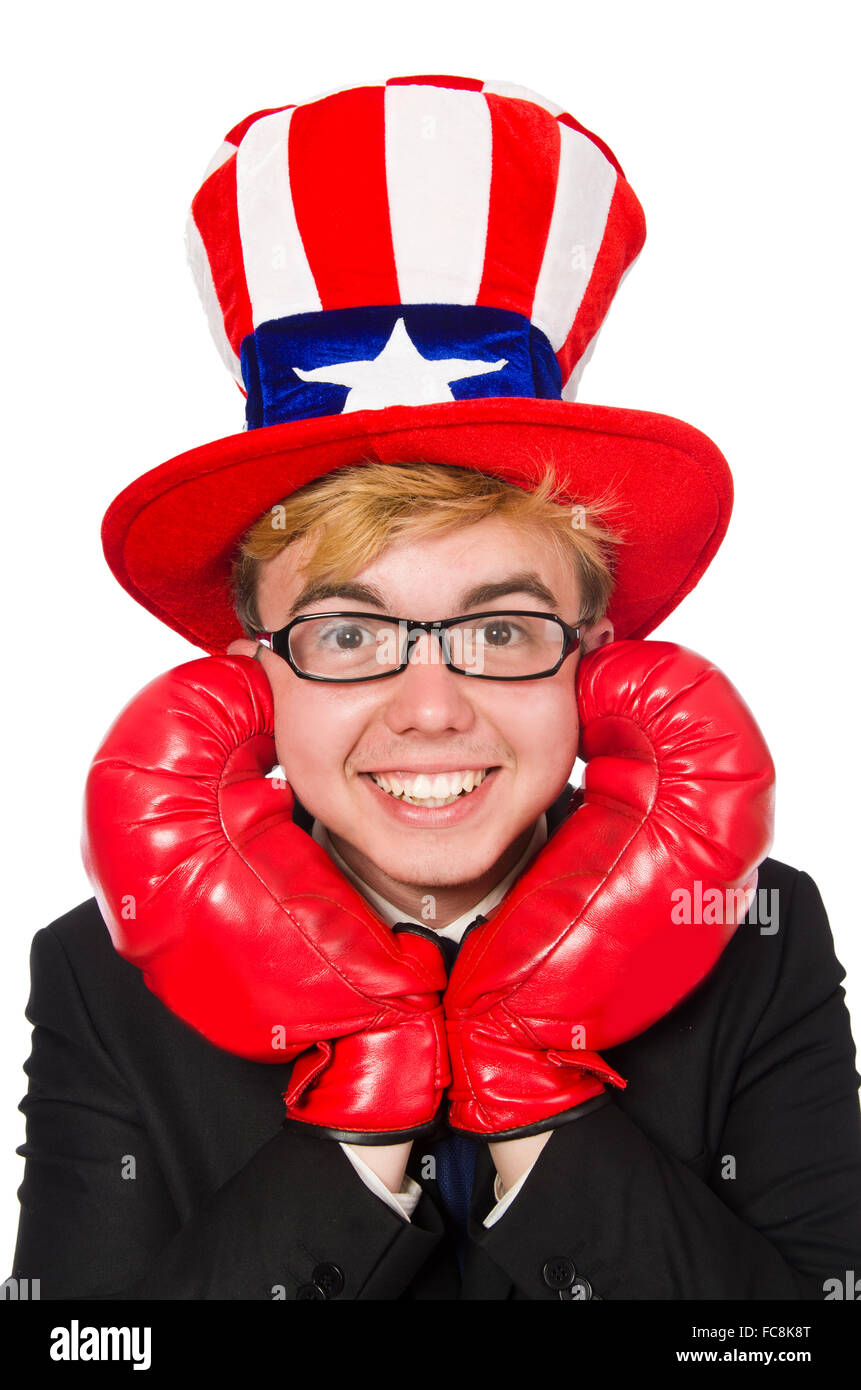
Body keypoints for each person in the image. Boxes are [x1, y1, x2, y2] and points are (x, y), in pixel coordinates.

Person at [10, 74, 861, 1301]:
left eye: (502, 629)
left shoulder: (753, 935)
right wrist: (355, 1125)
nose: (429, 706)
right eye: (349, 634)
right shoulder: (102, 971)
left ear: (601, 661)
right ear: (252, 677)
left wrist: (532, 1092)